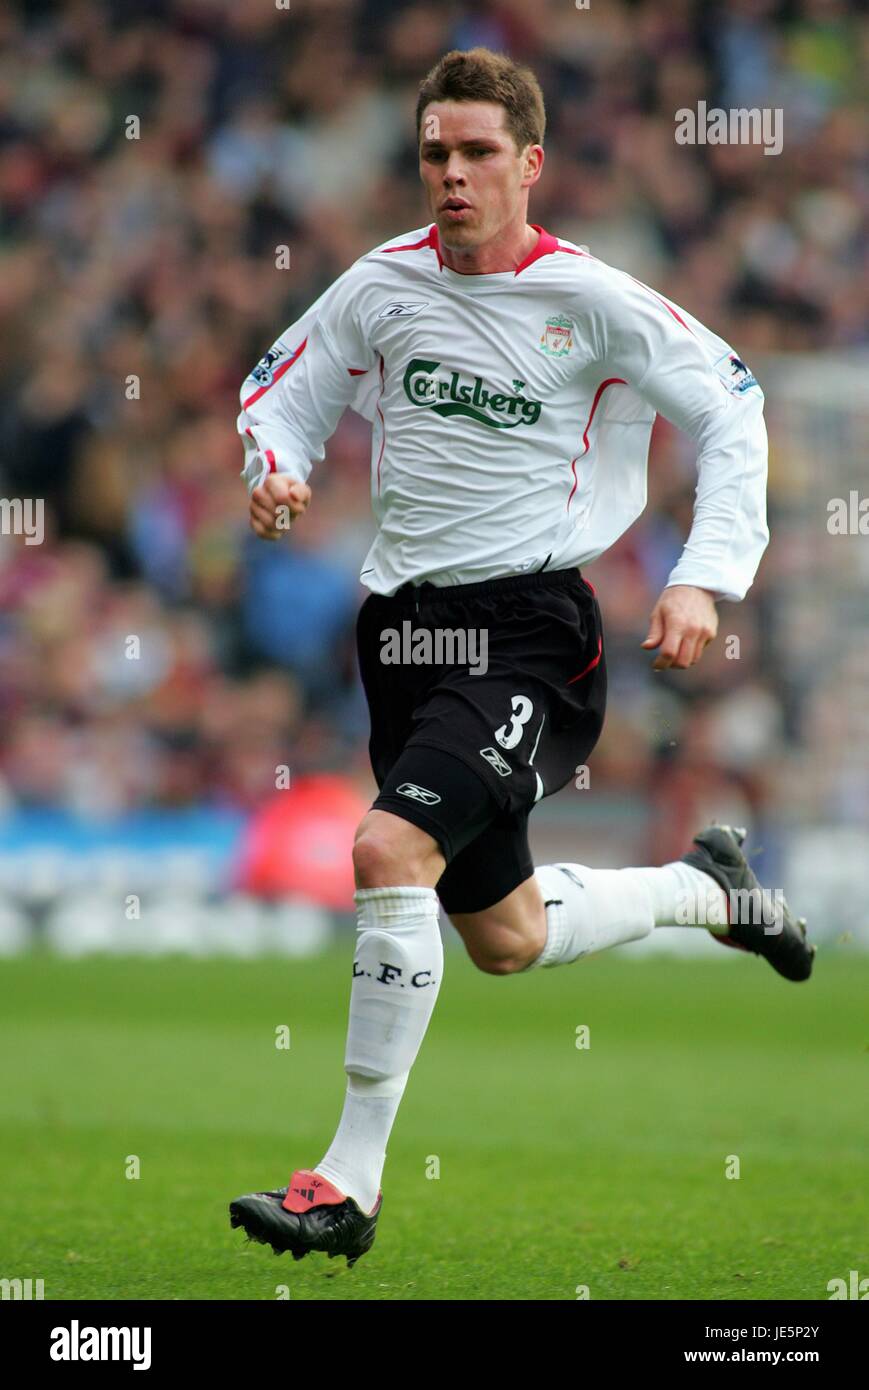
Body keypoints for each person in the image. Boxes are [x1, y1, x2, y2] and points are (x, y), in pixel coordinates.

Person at [229, 47, 813, 1270]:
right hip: (398, 633)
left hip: (534, 632)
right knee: (503, 938)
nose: (451, 173)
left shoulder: (593, 301)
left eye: (478, 152)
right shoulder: (379, 287)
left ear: (529, 165)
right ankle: (709, 890)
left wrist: (705, 572)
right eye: (435, 151)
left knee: (386, 846)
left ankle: (344, 1181)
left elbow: (729, 404)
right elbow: (280, 389)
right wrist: (271, 465)